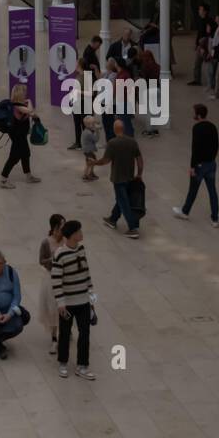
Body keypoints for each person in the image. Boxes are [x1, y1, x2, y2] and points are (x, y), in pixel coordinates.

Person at [52, 220, 96, 380]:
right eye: (79, 231)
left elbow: (86, 271)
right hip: (68, 304)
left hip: (83, 300)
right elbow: (56, 280)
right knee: (64, 333)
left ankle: (82, 365)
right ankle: (63, 363)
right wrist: (60, 303)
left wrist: (91, 294)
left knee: (85, 333)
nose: (81, 233)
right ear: (72, 235)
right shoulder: (60, 254)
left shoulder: (81, 249)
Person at [172, 103, 219, 227]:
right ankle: (215, 219)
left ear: (198, 115)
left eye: (194, 113)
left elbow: (195, 149)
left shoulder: (197, 128)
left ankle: (185, 211)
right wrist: (212, 159)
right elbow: (216, 145)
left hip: (200, 165)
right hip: (211, 164)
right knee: (212, 191)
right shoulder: (213, 127)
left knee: (193, 190)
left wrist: (192, 166)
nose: (192, 115)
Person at [94, 119, 142, 237]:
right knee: (121, 199)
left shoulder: (112, 143)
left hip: (118, 178)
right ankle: (113, 219)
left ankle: (132, 228)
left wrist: (94, 163)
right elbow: (140, 160)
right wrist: (139, 174)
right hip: (130, 177)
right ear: (123, 129)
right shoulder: (132, 142)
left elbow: (105, 160)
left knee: (123, 202)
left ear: (115, 129)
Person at [0, 83, 41, 187]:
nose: (26, 93)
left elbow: (31, 114)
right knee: (14, 157)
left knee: (26, 154)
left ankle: (28, 176)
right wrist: (30, 101)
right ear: (20, 94)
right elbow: (31, 112)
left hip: (21, 135)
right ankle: (3, 180)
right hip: (17, 135)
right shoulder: (17, 106)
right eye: (24, 92)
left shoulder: (21, 105)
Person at [38, 214, 66, 354]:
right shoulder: (46, 242)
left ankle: (66, 331)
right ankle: (54, 338)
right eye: (61, 226)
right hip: (52, 278)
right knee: (53, 309)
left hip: (66, 278)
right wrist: (53, 258)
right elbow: (41, 260)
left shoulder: (67, 240)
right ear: (54, 227)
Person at [189, 3, 213, 86]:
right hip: (200, 44)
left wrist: (203, 47)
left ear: (205, 11)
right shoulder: (200, 20)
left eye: (200, 9)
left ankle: (212, 83)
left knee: (208, 65)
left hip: (205, 45)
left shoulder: (209, 21)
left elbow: (208, 35)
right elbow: (199, 33)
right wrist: (196, 44)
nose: (199, 11)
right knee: (197, 64)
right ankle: (197, 80)